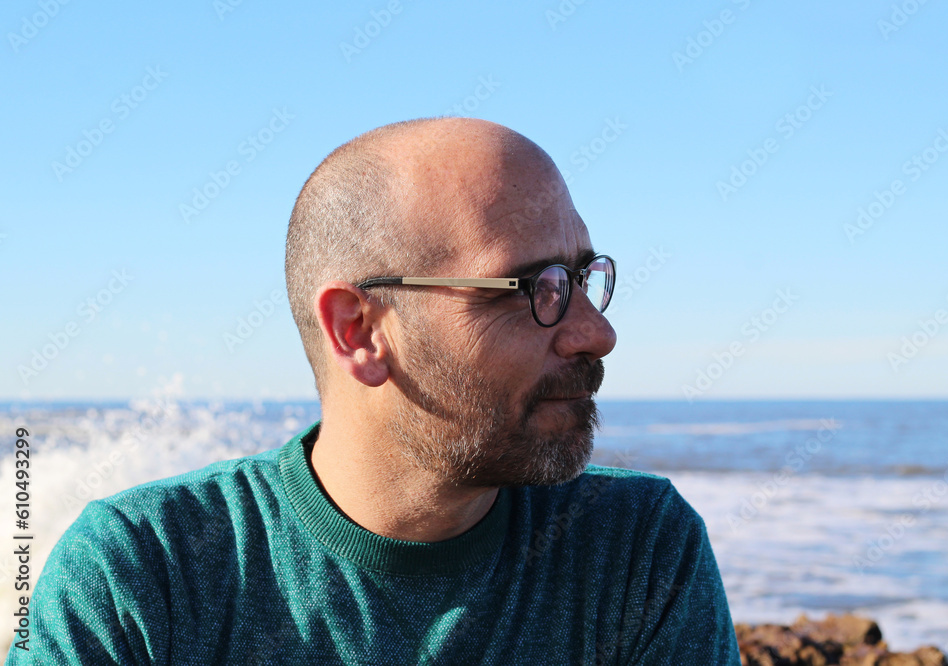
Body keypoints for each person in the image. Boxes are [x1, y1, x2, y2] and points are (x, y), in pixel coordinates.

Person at [12, 118, 741, 664]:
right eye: (534, 288)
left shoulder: (634, 553)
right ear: (359, 330)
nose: (593, 332)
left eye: (583, 280)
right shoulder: (146, 576)